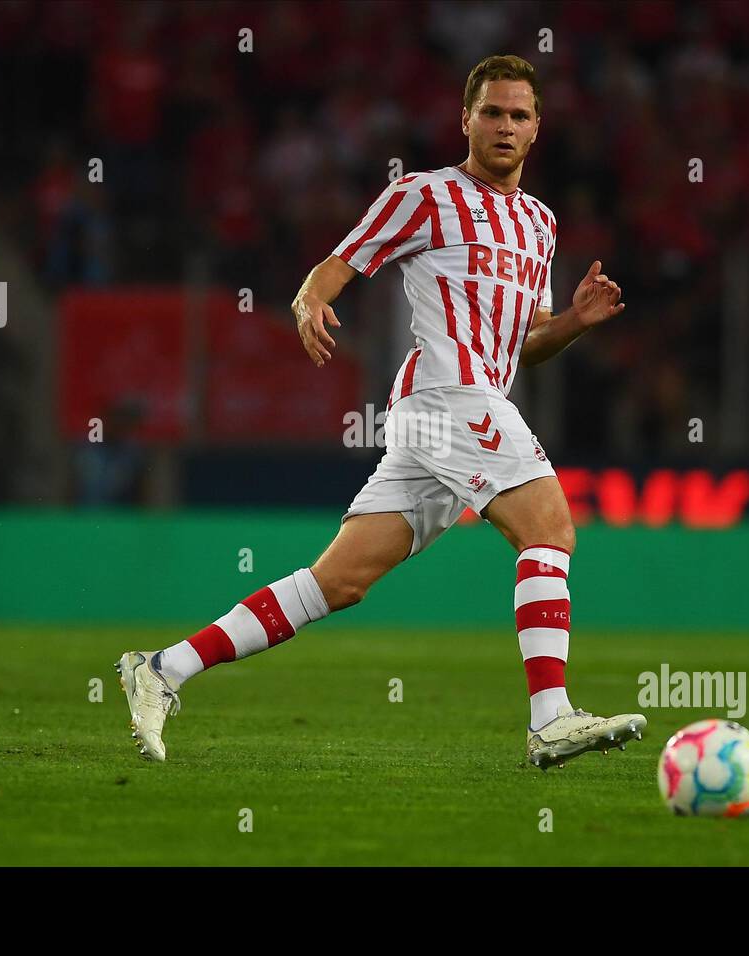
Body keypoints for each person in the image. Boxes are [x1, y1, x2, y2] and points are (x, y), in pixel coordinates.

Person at [117, 55, 645, 769]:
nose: (504, 125)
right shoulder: (424, 194)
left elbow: (529, 342)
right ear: (466, 120)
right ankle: (550, 719)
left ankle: (163, 669)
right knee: (550, 529)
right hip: (447, 394)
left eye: (519, 115)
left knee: (339, 581)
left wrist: (575, 322)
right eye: (492, 112)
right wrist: (310, 301)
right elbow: (336, 266)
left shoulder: (541, 224)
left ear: (536, 129)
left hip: (457, 409)